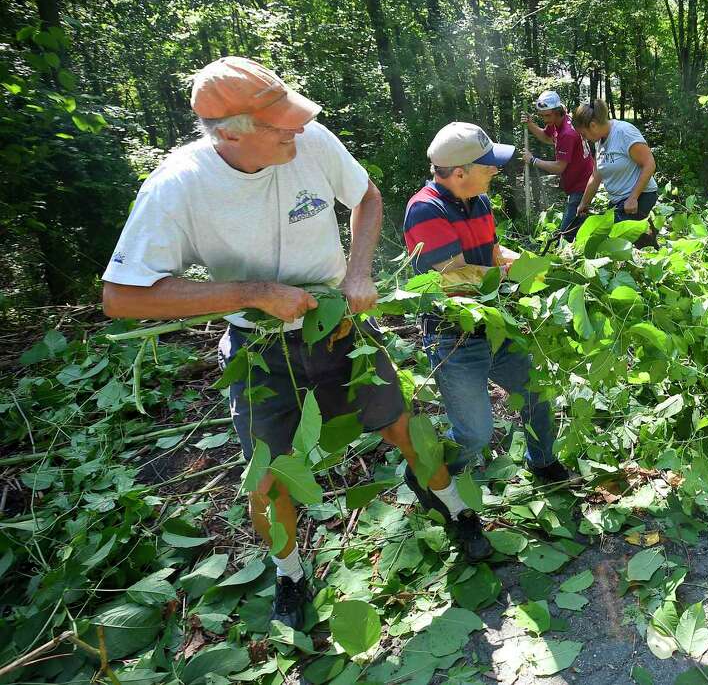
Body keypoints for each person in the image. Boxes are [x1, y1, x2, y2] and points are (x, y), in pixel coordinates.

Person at [99, 57, 480, 630]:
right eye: (281, 125)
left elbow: (367, 197)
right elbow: (123, 297)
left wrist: (358, 273)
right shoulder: (178, 187)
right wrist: (251, 293)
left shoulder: (312, 141)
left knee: (401, 422)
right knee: (271, 473)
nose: (297, 131)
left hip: (342, 331)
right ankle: (291, 573)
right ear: (232, 133)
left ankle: (454, 509)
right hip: (261, 352)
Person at [403, 122, 571, 518]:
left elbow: (493, 254)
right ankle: (433, 474)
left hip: (494, 322)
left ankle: (543, 461)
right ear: (458, 172)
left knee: (536, 392)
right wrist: (520, 274)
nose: (495, 170)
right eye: (487, 165)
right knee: (475, 434)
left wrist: (542, 264)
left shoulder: (478, 201)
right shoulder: (426, 210)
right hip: (454, 336)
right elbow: (454, 276)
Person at [573, 99, 659, 247]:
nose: (583, 138)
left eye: (584, 133)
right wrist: (584, 203)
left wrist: (633, 198)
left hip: (640, 196)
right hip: (619, 201)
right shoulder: (599, 140)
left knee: (619, 242)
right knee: (625, 240)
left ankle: (655, 259)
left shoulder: (624, 132)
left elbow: (649, 164)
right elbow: (596, 175)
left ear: (593, 125)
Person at [521, 91, 594, 241]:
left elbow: (559, 167)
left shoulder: (567, 133)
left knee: (566, 235)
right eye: (541, 115)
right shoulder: (559, 122)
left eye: (547, 115)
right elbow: (547, 137)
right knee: (577, 226)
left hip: (582, 185)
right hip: (578, 181)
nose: (544, 119)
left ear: (557, 112)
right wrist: (530, 124)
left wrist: (533, 160)